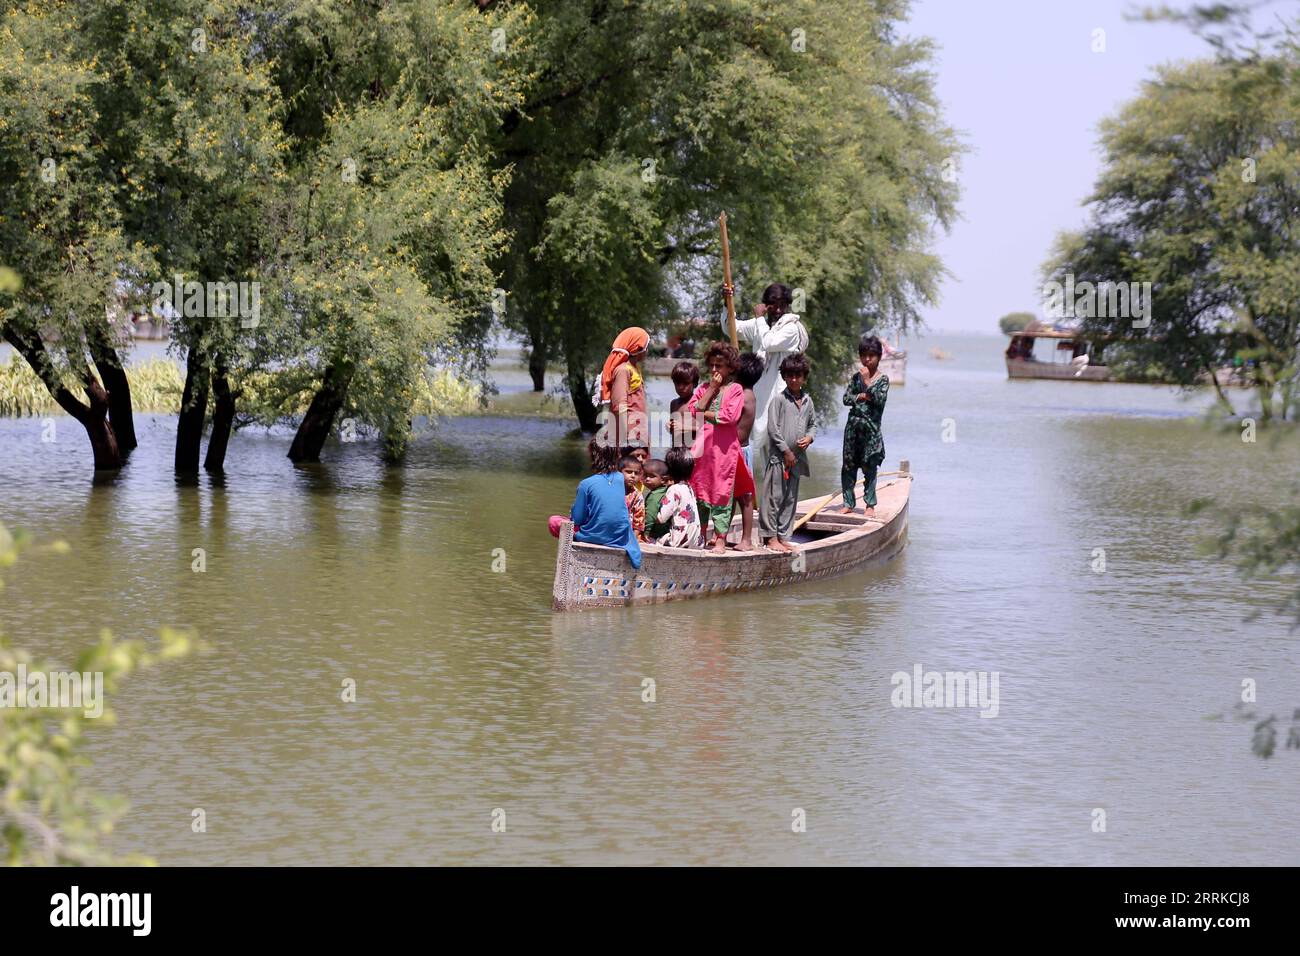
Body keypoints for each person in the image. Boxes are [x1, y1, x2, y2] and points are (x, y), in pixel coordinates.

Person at [722, 282, 809, 462]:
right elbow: (731, 329)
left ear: (787, 305)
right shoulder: (760, 325)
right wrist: (727, 302)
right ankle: (769, 490)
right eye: (773, 304)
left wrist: (760, 319)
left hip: (782, 399)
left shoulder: (791, 328)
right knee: (767, 457)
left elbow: (769, 343)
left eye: (781, 305)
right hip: (761, 400)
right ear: (766, 304)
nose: (777, 309)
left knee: (782, 454)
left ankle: (782, 490)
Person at [548, 438, 642, 569]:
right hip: (620, 537)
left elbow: (578, 519)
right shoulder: (621, 479)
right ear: (617, 456)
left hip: (594, 536)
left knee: (554, 521)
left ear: (592, 456)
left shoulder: (586, 484)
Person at [686, 340, 744, 553]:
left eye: (719, 366)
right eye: (711, 365)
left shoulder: (736, 390)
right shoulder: (704, 388)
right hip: (702, 451)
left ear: (730, 367)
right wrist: (711, 389)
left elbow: (729, 417)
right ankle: (700, 536)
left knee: (722, 494)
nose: (714, 370)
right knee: (699, 492)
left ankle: (720, 539)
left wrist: (704, 412)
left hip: (725, 452)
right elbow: (694, 410)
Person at [761, 353, 815, 552]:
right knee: (773, 498)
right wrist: (786, 451)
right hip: (779, 459)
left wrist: (809, 437)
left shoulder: (808, 401)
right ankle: (770, 537)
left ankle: (783, 536)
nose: (794, 379)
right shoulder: (779, 400)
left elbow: (813, 425)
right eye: (790, 375)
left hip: (798, 459)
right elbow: (773, 429)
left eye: (798, 376)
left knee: (790, 498)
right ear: (784, 376)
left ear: (804, 377)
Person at [841, 334, 889, 517]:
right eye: (863, 355)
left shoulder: (882, 380)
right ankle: (848, 503)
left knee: (870, 467)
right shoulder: (856, 378)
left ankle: (870, 505)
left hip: (871, 431)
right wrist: (858, 396)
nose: (867, 359)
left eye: (871, 355)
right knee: (848, 467)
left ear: (878, 357)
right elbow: (846, 398)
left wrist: (867, 382)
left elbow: (879, 400)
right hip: (853, 429)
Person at [731, 352, 765, 551]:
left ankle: (746, 540)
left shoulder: (744, 396)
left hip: (740, 451)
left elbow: (727, 417)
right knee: (731, 496)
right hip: (735, 450)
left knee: (745, 497)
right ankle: (724, 534)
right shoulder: (747, 393)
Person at [600, 327, 650, 450]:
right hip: (628, 437)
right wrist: (626, 439)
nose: (647, 350)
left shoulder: (633, 368)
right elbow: (620, 406)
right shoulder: (623, 370)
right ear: (638, 348)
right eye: (646, 346)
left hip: (637, 432)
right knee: (628, 467)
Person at [655, 447, 704, 549]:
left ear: (670, 469)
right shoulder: (689, 488)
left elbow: (661, 518)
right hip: (697, 543)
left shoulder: (674, 489)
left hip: (680, 542)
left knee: (654, 540)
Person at [666, 360, 699, 448]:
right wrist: (669, 426)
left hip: (692, 451)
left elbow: (705, 429)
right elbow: (673, 430)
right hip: (676, 450)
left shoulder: (698, 403)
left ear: (695, 384)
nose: (681, 387)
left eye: (686, 383)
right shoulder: (674, 403)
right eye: (677, 383)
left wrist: (684, 427)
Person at [642, 459, 671, 541]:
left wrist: (646, 533)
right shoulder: (666, 491)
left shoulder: (654, 496)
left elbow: (650, 515)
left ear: (663, 480)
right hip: (666, 532)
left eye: (652, 476)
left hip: (655, 534)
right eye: (645, 475)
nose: (647, 479)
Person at [620, 453, 646, 541]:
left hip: (630, 535)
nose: (633, 476)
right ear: (619, 472)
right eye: (629, 472)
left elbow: (639, 521)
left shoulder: (637, 495)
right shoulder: (613, 491)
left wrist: (632, 540)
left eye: (636, 473)